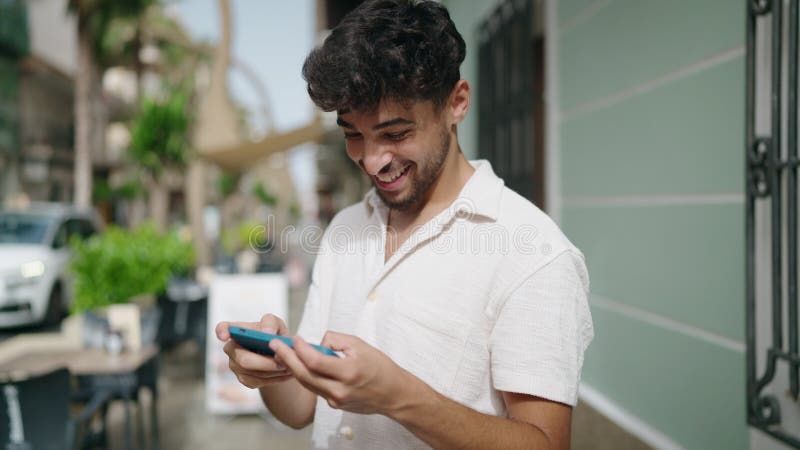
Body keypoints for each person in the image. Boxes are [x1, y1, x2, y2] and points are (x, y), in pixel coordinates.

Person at [216, 1, 593, 448]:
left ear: (456, 103)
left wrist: (397, 397)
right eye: (353, 134)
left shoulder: (534, 254)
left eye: (395, 134)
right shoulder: (345, 228)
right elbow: (300, 409)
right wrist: (272, 370)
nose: (373, 160)